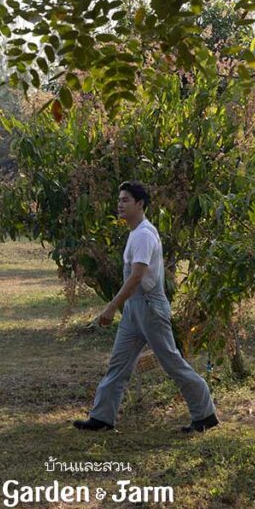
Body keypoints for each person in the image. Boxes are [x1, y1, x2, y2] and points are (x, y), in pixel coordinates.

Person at [73, 181, 218, 434]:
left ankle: (205, 414)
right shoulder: (135, 232)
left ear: (140, 204)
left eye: (126, 200)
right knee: (118, 364)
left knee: (172, 362)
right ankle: (102, 418)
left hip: (150, 307)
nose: (120, 204)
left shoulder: (143, 234)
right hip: (134, 309)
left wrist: (110, 308)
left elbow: (137, 277)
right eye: (119, 200)